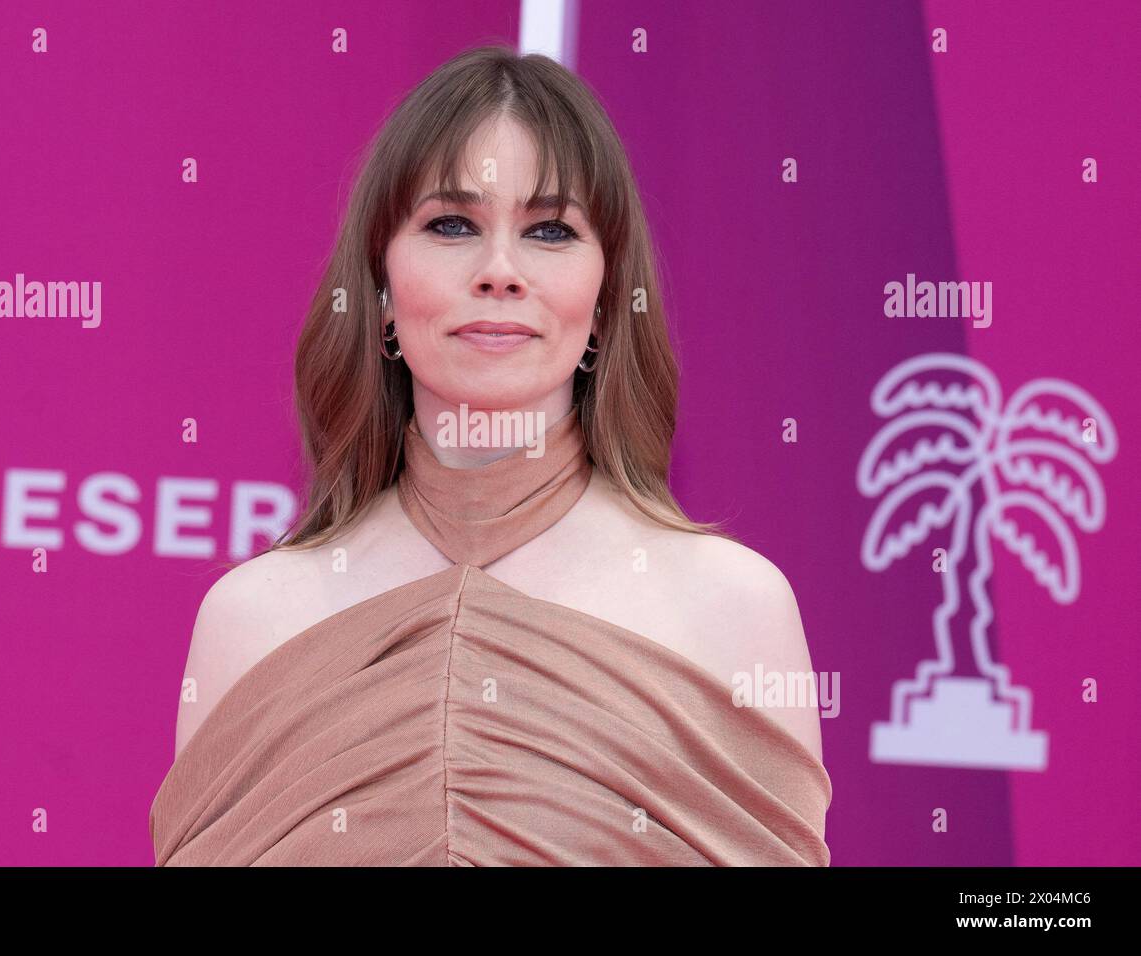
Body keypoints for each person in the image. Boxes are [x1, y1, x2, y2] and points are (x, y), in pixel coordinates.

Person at [150, 45, 831, 866]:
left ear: (607, 298)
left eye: (550, 230)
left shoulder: (731, 604)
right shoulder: (253, 617)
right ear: (380, 293)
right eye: (451, 225)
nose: (501, 272)